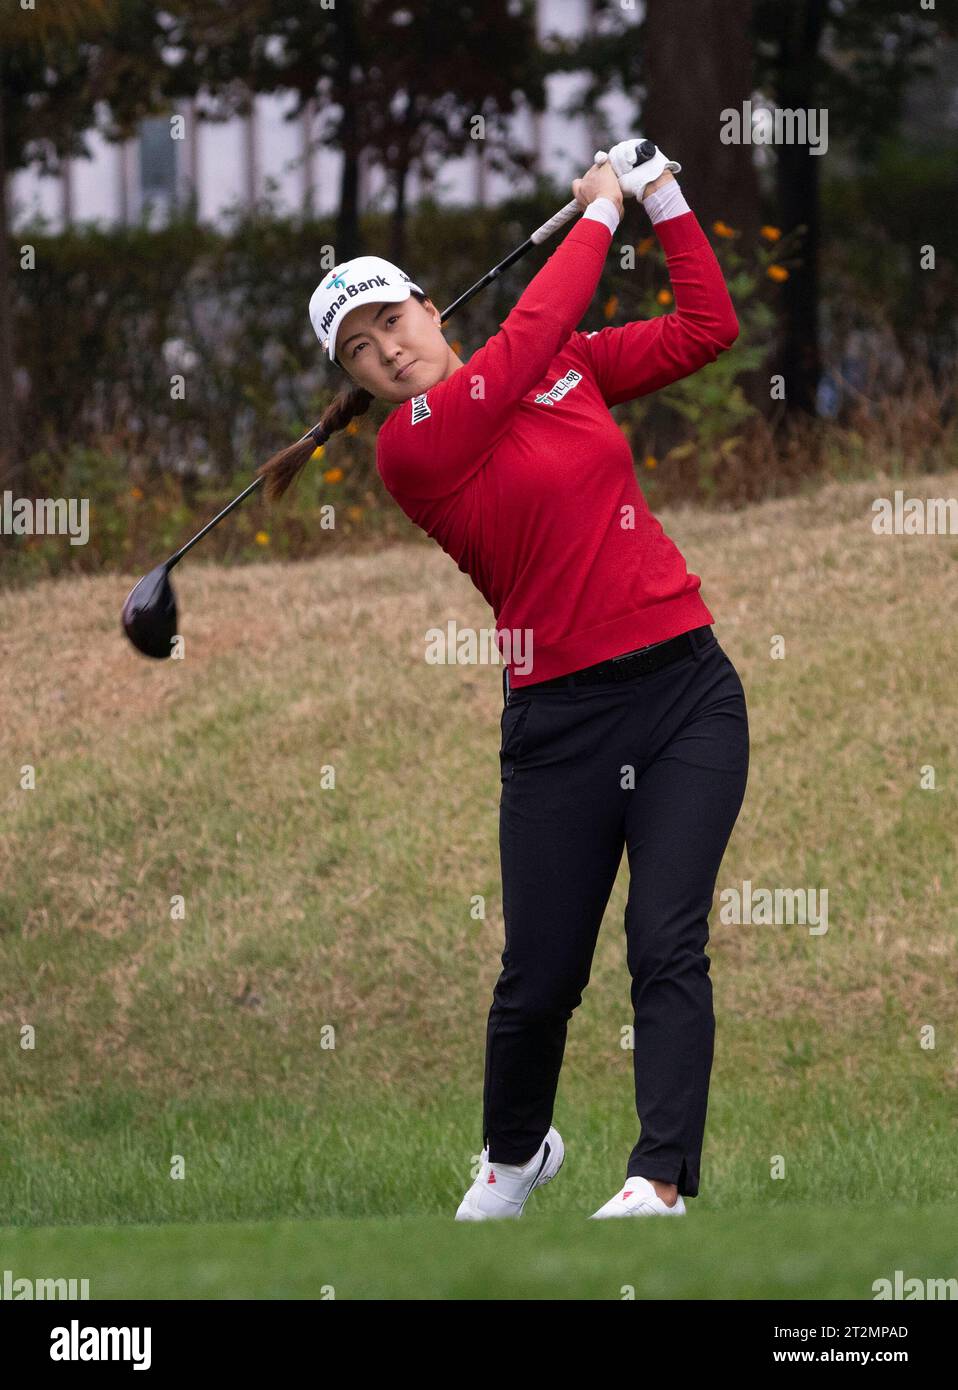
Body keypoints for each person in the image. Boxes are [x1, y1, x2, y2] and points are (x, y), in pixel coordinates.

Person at [262, 144, 749, 1222]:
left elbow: (708, 331)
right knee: (537, 976)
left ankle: (658, 1179)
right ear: (353, 379)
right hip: (559, 721)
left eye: (392, 318)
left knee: (665, 940)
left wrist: (660, 196)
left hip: (684, 693)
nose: (386, 349)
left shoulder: (559, 367)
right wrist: (599, 210)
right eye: (358, 347)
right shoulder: (414, 447)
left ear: (433, 309)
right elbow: (528, 332)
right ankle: (513, 1157)